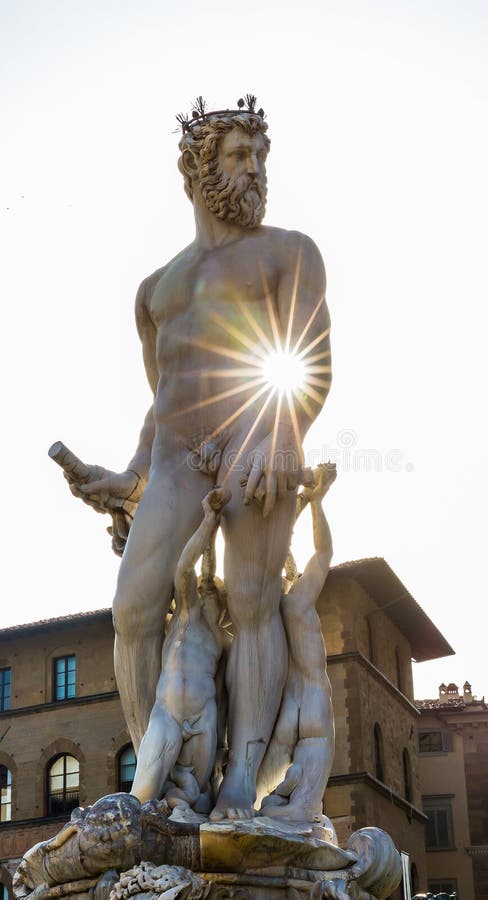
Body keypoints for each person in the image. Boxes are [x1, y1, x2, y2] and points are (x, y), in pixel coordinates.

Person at [63, 97, 331, 820]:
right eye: (239, 155)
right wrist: (127, 478)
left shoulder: (291, 252)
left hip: (257, 436)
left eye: (259, 156)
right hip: (182, 458)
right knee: (133, 609)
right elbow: (164, 403)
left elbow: (309, 362)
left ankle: (242, 778)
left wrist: (280, 431)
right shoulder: (156, 290)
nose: (255, 169)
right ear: (197, 169)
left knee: (251, 599)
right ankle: (169, 777)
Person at [130, 486, 230, 818]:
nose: (206, 591)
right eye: (205, 589)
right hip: (168, 713)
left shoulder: (222, 639)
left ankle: (177, 817)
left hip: (204, 718)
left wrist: (222, 743)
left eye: (212, 589)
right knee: (145, 786)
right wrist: (209, 522)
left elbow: (225, 691)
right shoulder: (186, 615)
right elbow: (188, 569)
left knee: (196, 794)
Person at [258, 463, 336, 823]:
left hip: (291, 710)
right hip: (309, 703)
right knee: (292, 808)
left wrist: (312, 501)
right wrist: (316, 501)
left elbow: (315, 555)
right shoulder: (295, 605)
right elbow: (322, 555)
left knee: (271, 806)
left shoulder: (262, 617)